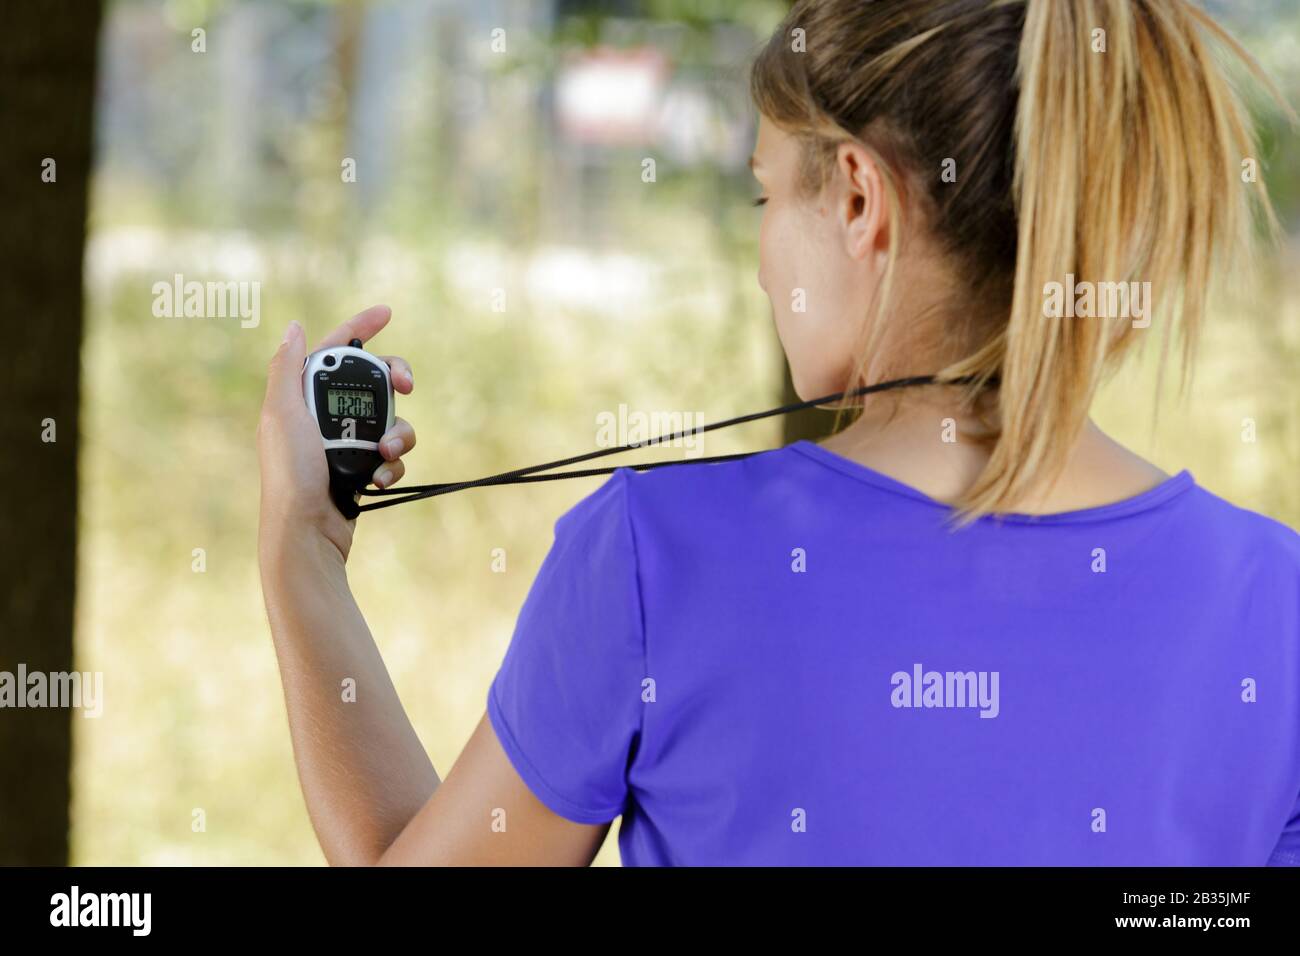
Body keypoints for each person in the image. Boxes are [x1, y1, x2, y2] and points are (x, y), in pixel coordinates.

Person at [256, 0, 1300, 865]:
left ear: (855, 198)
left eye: (764, 191)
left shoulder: (654, 559)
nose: (762, 259)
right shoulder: (1273, 602)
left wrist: (300, 547)